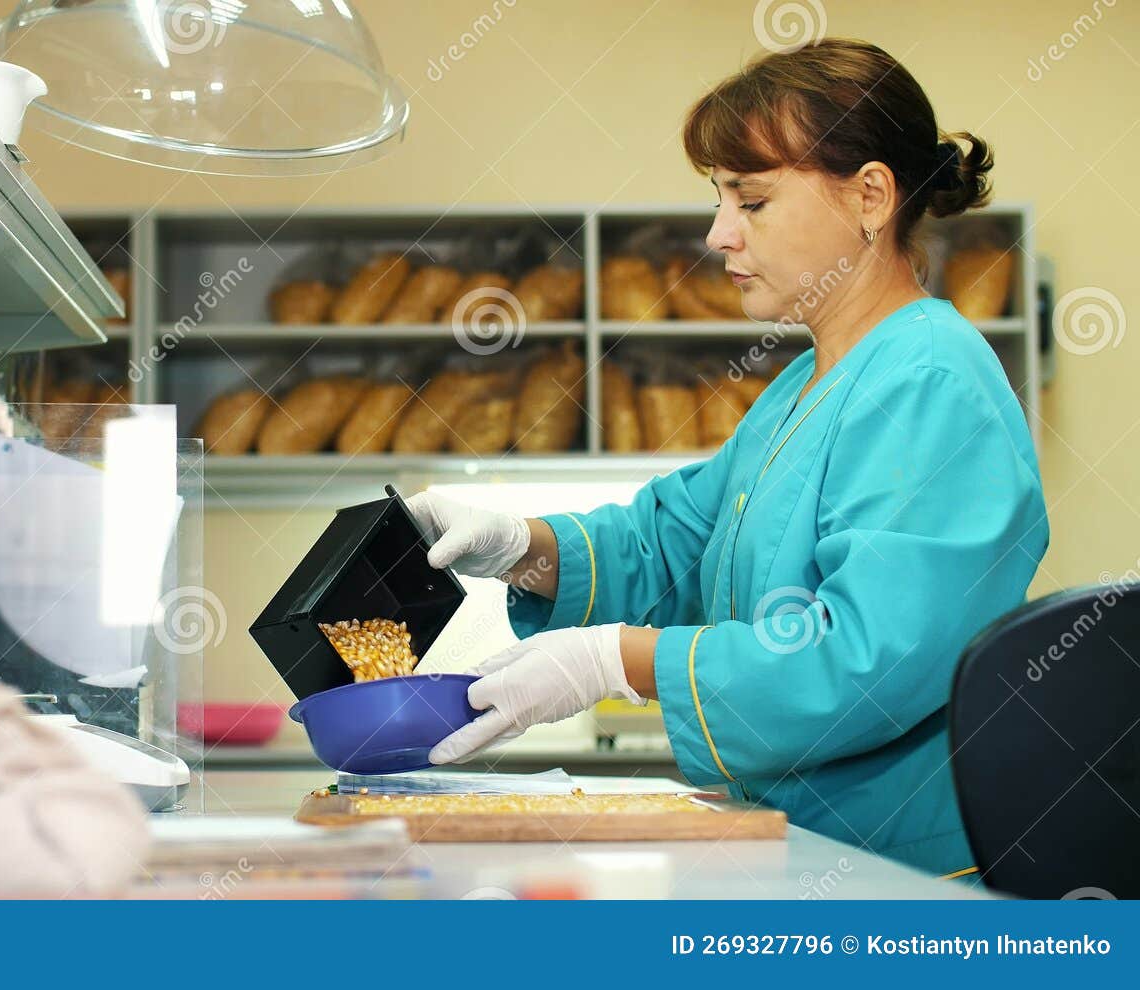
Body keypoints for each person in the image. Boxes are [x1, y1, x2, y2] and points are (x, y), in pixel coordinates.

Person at [408, 38, 1048, 879]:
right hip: (796, 854)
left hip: (894, 881)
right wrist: (517, 545)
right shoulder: (800, 385)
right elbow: (675, 543)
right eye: (720, 201)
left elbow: (863, 659)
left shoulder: (931, 380)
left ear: (870, 196)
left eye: (751, 202)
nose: (718, 235)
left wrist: (613, 662)